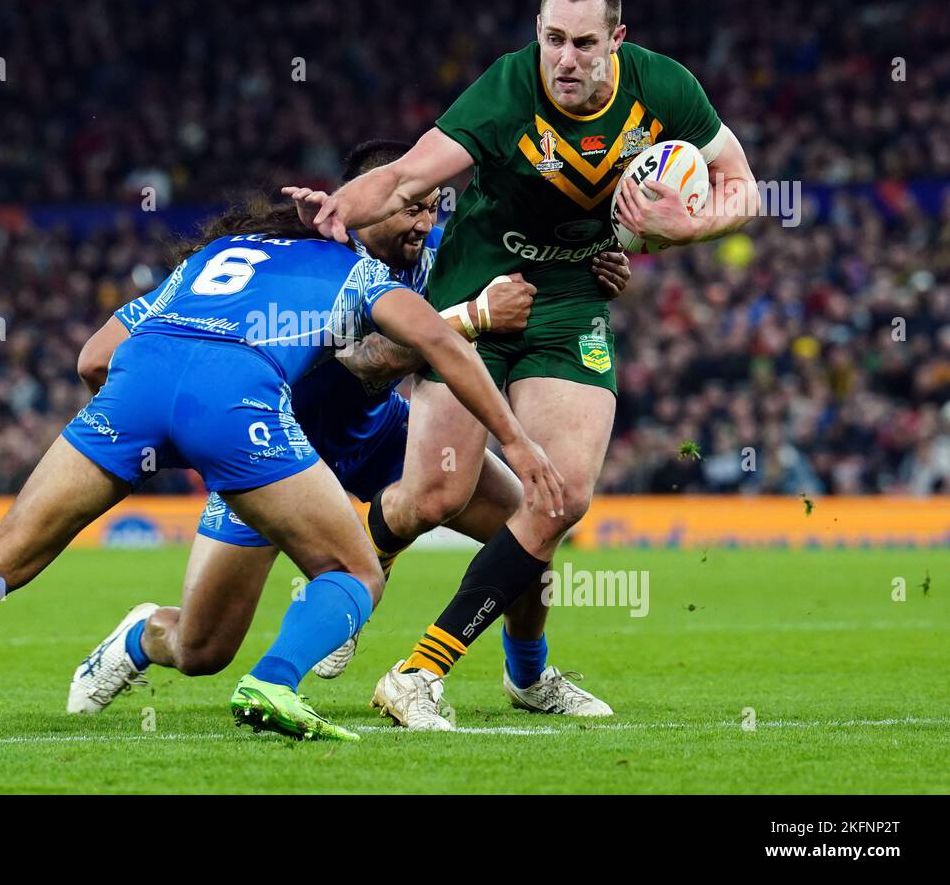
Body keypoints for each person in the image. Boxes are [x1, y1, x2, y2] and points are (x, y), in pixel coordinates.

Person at [0, 198, 559, 744]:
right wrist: (521, 442)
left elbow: (92, 356)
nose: (421, 220)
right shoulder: (358, 274)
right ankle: (274, 680)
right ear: (349, 219)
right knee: (355, 570)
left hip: (144, 377)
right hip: (246, 412)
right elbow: (439, 348)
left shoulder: (208, 261)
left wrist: (144, 437)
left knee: (5, 552)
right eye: (409, 206)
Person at [288, 0, 759, 727]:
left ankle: (426, 671)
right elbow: (408, 175)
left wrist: (691, 226)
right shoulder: (507, 90)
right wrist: (340, 207)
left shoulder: (665, 89)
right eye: (551, 40)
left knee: (559, 497)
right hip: (476, 283)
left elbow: (744, 185)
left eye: (582, 43)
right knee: (434, 496)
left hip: (570, 300)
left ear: (617, 41)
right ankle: (355, 563)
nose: (564, 60)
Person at [67, 141, 630, 722]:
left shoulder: (441, 251)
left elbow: (523, 270)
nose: (424, 221)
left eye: (433, 207)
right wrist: (472, 317)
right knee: (202, 649)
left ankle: (530, 674)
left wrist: (590, 271)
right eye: (411, 207)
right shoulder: (318, 257)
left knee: (531, 521)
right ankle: (139, 637)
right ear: (368, 201)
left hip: (378, 432)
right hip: (273, 452)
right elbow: (363, 361)